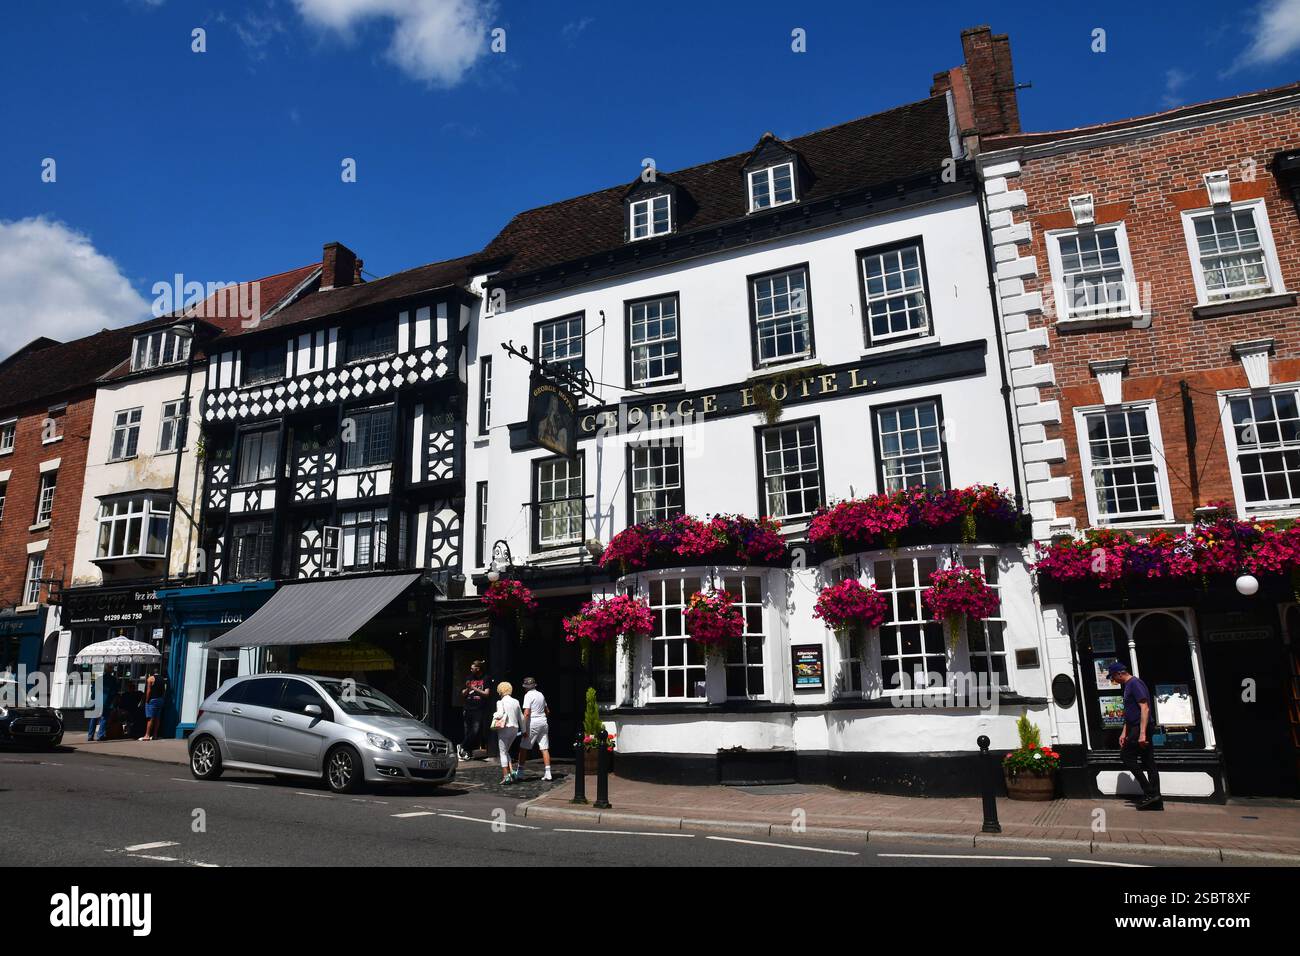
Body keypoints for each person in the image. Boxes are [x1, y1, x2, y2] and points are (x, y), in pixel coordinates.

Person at [1109, 661, 1162, 811]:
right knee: (1148, 760)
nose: (1113, 680)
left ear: (1120, 673)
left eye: (1113, 676)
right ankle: (1155, 799)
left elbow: (1144, 708)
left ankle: (1150, 792)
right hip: (1134, 727)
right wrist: (1124, 731)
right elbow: (1130, 711)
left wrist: (1142, 733)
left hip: (1140, 728)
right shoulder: (1128, 686)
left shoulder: (1135, 683)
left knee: (1126, 756)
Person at [516, 676, 552, 782]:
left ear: (525, 687)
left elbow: (526, 713)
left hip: (533, 722)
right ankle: (548, 773)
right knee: (544, 748)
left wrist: (523, 728)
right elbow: (547, 711)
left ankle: (520, 772)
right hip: (543, 722)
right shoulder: (540, 694)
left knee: (523, 747)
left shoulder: (528, 695)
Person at [458, 660, 493, 761]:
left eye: (472, 668)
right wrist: (468, 689)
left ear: (478, 669)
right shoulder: (469, 678)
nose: (470, 670)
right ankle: (466, 753)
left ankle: (462, 746)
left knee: (476, 730)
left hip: (479, 709)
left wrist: (474, 688)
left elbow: (486, 694)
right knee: (468, 731)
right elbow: (463, 694)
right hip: (467, 708)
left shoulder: (485, 678)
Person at [491, 681, 523, 785]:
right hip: (515, 728)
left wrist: (494, 715)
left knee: (502, 752)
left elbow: (499, 714)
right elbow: (521, 718)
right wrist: (524, 730)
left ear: (500, 690)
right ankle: (512, 772)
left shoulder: (500, 702)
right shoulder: (516, 701)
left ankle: (506, 776)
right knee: (506, 751)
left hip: (504, 729)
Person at [86, 666, 118, 742]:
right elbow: (114, 692)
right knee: (104, 718)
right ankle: (100, 735)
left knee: (94, 718)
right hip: (107, 702)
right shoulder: (113, 680)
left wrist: (93, 698)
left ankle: (90, 735)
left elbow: (93, 690)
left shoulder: (98, 679)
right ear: (111, 671)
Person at [141, 668, 167, 741]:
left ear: (152, 672)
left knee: (150, 718)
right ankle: (155, 735)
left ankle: (147, 735)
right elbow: (164, 691)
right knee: (157, 718)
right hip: (160, 700)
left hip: (152, 700)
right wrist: (162, 699)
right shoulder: (163, 679)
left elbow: (148, 691)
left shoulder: (151, 679)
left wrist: (146, 700)